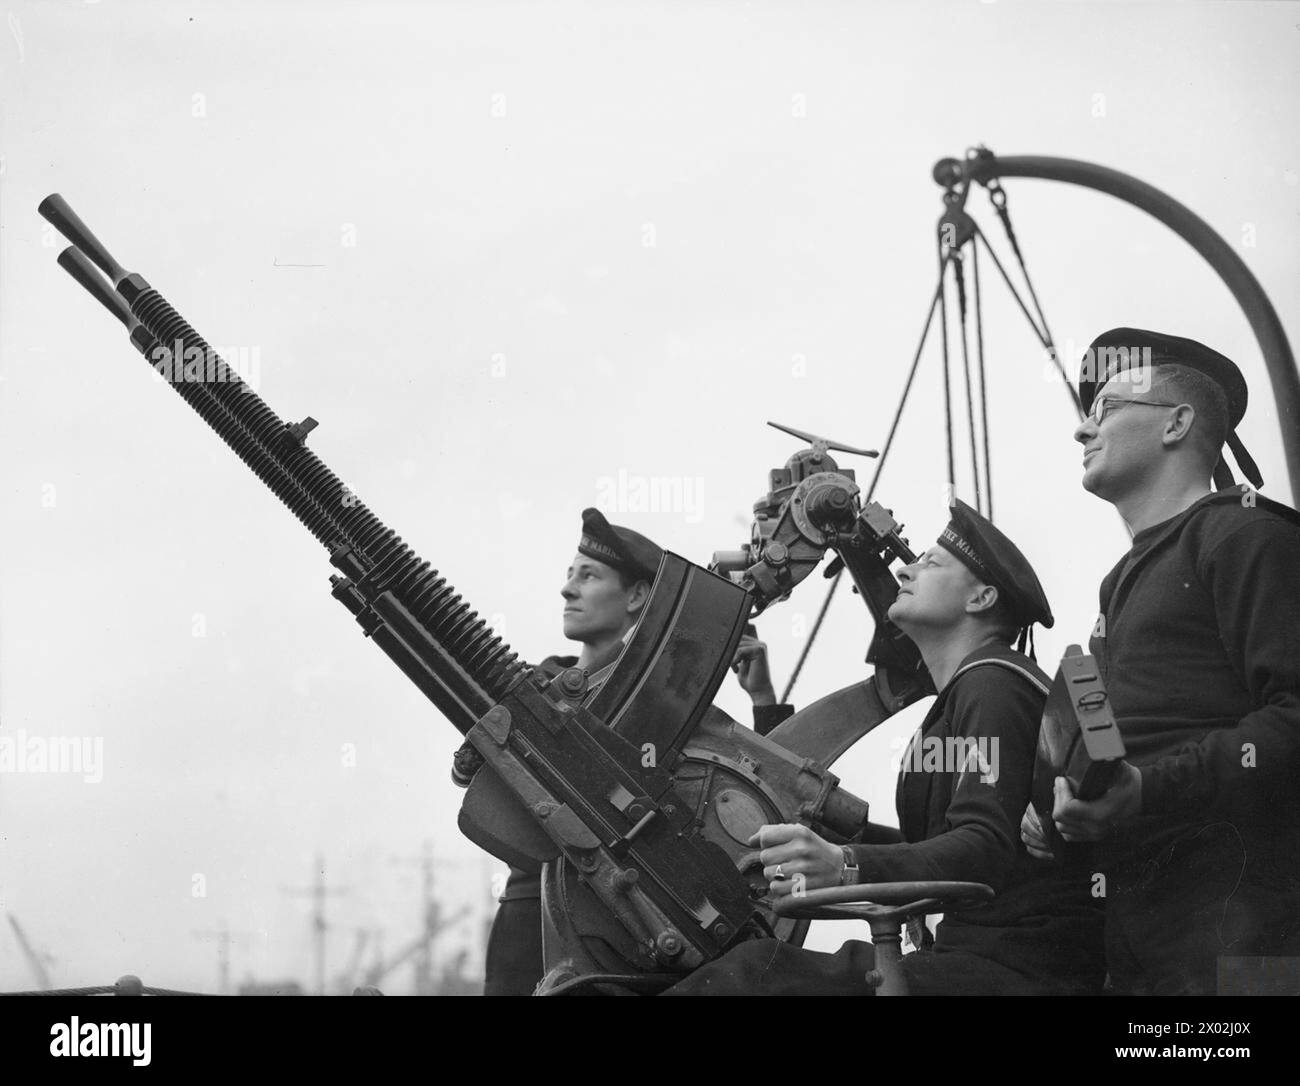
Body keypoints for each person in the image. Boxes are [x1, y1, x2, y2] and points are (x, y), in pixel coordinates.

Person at [664, 500, 1105, 996]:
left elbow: (984, 846)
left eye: (932, 564)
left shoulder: (993, 685)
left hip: (1016, 970)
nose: (907, 568)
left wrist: (845, 863)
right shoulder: (966, 694)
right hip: (983, 957)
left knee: (750, 976)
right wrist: (818, 830)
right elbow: (938, 846)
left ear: (980, 599)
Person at [1022, 327, 1300, 995]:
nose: (1082, 432)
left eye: (1108, 408)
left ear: (1177, 423)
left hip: (1244, 940)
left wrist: (1147, 790)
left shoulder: (1243, 534)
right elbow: (1125, 745)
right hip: (1143, 938)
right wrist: (1059, 807)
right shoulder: (1119, 582)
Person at [455, 507, 663, 996]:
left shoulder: (663, 705)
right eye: (570, 575)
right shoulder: (530, 689)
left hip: (629, 929)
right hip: (531, 911)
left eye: (588, 576)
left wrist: (764, 699)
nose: (568, 589)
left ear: (636, 596)